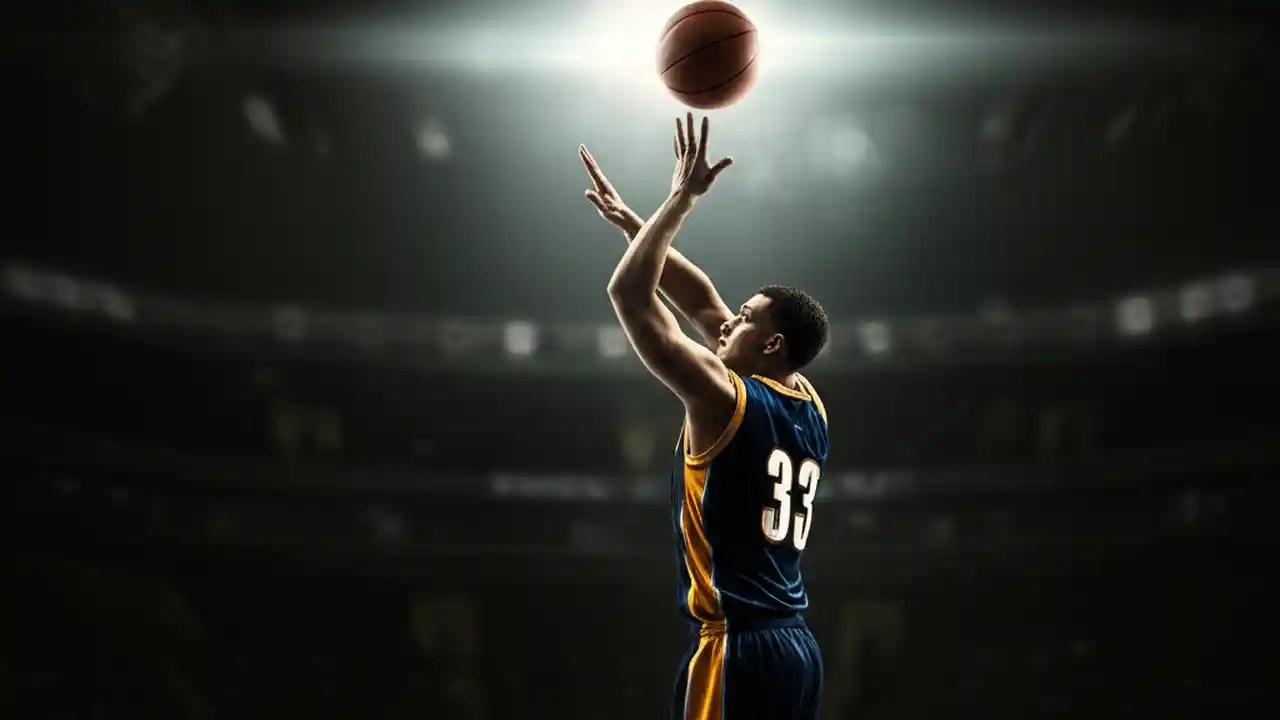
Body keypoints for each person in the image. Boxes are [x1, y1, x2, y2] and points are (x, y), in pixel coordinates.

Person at [579, 113, 830, 720]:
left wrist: (679, 202)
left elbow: (629, 295)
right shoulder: (809, 400)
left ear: (771, 346)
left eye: (744, 318)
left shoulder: (723, 395)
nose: (728, 321)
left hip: (736, 645)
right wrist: (638, 226)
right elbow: (699, 301)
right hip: (796, 646)